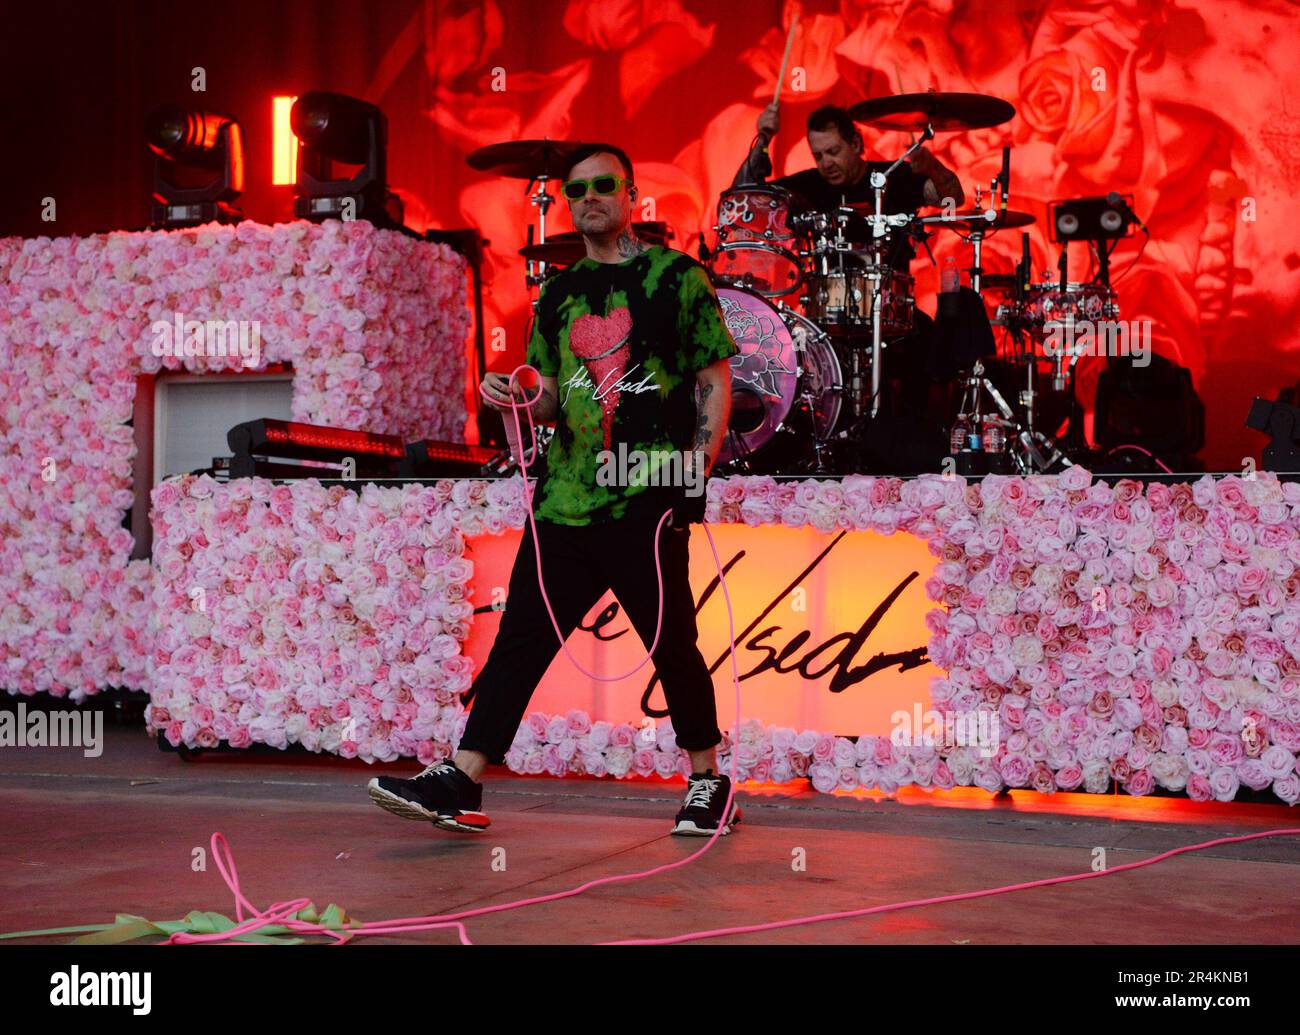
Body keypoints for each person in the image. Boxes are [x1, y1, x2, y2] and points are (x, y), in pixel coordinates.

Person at [368, 143, 743, 837]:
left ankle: (708, 779)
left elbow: (714, 381)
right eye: (578, 190)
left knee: (673, 643)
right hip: (562, 501)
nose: (590, 197)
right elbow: (547, 400)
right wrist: (512, 394)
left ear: (631, 194)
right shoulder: (562, 294)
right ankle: (463, 778)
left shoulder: (676, 278)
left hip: (646, 492)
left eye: (604, 185)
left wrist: (695, 471)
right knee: (520, 641)